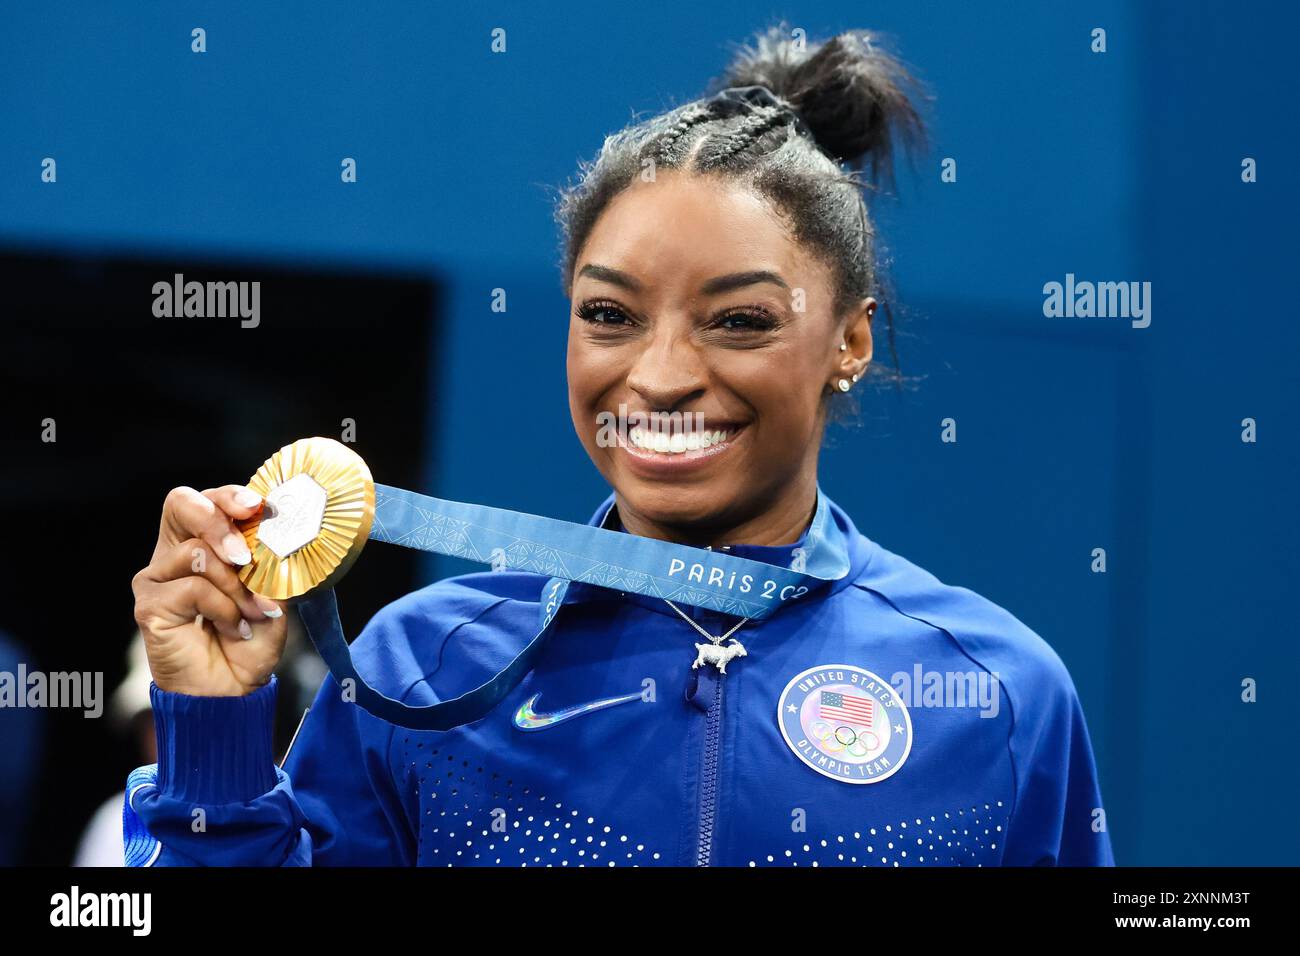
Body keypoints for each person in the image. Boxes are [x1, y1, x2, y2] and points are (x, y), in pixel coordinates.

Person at [125, 25, 1113, 867]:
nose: (660, 373)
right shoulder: (419, 667)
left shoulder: (999, 693)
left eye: (738, 321)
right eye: (610, 314)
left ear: (847, 341)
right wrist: (213, 732)